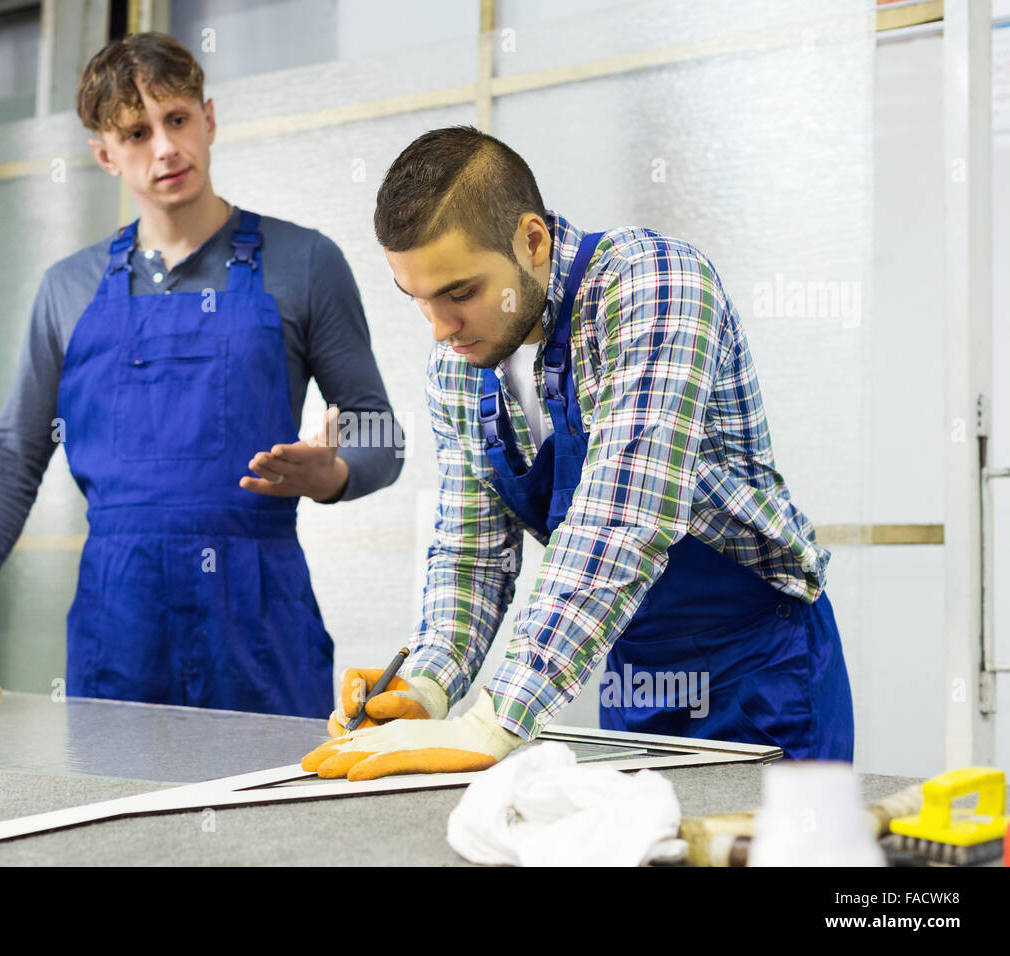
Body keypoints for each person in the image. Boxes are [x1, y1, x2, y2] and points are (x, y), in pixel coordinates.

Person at [0, 32, 402, 718]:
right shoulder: (69, 289)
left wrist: (338, 474)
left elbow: (381, 430)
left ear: (208, 119)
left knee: (271, 821)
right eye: (137, 133)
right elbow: (13, 458)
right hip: (120, 626)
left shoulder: (306, 263)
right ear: (105, 155)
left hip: (261, 622)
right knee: (113, 818)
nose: (166, 148)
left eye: (176, 120)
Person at [303, 125, 853, 780]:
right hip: (635, 676)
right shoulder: (458, 366)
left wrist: (497, 719)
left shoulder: (653, 285)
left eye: (460, 294)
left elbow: (621, 519)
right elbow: (473, 551)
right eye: (418, 300)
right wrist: (428, 682)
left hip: (760, 670)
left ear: (531, 242)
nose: (440, 329)